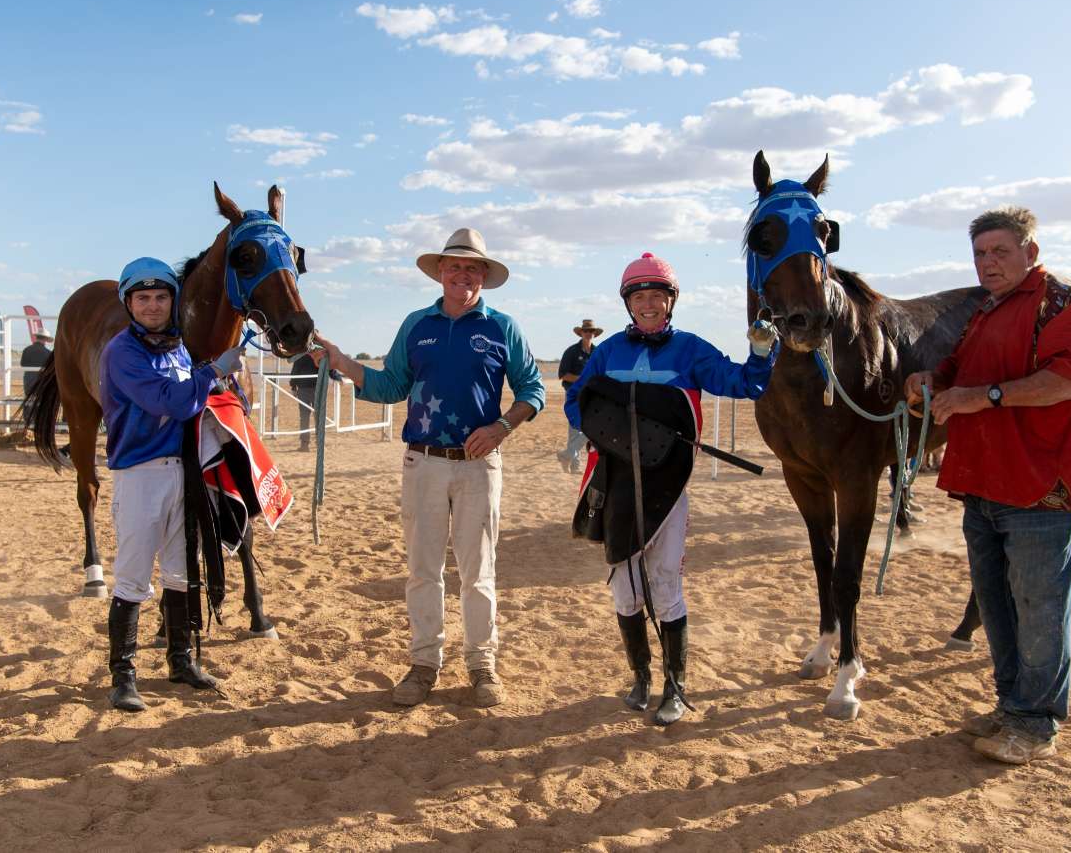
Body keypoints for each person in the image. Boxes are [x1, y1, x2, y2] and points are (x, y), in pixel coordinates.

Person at [904, 206, 1071, 765]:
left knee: (1039, 609)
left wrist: (982, 396)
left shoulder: (1064, 304)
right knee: (997, 607)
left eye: (1000, 252)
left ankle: (1035, 722)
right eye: (980, 254)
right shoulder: (987, 311)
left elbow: (1069, 381)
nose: (988, 263)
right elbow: (960, 368)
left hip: (1043, 487)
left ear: (1030, 252)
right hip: (985, 485)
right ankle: (1012, 705)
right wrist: (932, 382)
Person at [312, 228, 545, 708]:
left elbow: (532, 391)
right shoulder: (417, 324)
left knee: (478, 570)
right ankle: (424, 664)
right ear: (440, 272)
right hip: (423, 462)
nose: (463, 274)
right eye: (455, 266)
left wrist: (501, 427)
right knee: (423, 570)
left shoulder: (503, 327)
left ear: (484, 276)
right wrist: (341, 362)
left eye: (473, 267)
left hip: (480, 464)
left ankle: (482, 665)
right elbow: (390, 385)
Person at [565, 252, 777, 725]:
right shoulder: (608, 352)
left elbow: (742, 383)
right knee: (625, 589)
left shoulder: (691, 350)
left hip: (667, 489)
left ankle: (674, 687)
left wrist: (762, 354)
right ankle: (640, 677)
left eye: (656, 296)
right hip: (612, 482)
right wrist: (611, 433)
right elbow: (579, 402)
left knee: (665, 586)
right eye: (639, 297)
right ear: (628, 303)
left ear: (671, 301)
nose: (648, 305)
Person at [99, 257, 247, 712]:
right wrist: (213, 371)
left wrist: (226, 393)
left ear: (172, 301)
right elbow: (169, 400)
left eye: (161, 297)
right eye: (142, 298)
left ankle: (180, 660)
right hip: (140, 475)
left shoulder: (177, 348)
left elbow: (196, 402)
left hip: (183, 473)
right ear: (129, 302)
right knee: (133, 576)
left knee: (182, 572)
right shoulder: (122, 352)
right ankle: (123, 675)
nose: (152, 306)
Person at [556, 318, 602, 473]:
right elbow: (563, 374)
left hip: (594, 396)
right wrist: (583, 380)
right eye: (586, 331)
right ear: (581, 332)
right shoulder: (571, 351)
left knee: (590, 427)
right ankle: (573, 462)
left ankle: (568, 458)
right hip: (574, 395)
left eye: (591, 331)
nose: (589, 333)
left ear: (595, 334)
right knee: (577, 428)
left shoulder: (598, 352)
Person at [288, 352, 342, 452]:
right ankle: (308, 444)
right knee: (309, 417)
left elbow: (329, 367)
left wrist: (337, 377)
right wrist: (293, 386)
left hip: (312, 388)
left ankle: (311, 444)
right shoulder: (304, 353)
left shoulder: (315, 352)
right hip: (307, 388)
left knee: (311, 417)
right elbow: (296, 370)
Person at [21, 331, 54, 396]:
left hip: (28, 379)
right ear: (46, 340)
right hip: (42, 380)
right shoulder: (48, 353)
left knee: (29, 400)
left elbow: (23, 364)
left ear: (36, 337)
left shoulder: (27, 350)